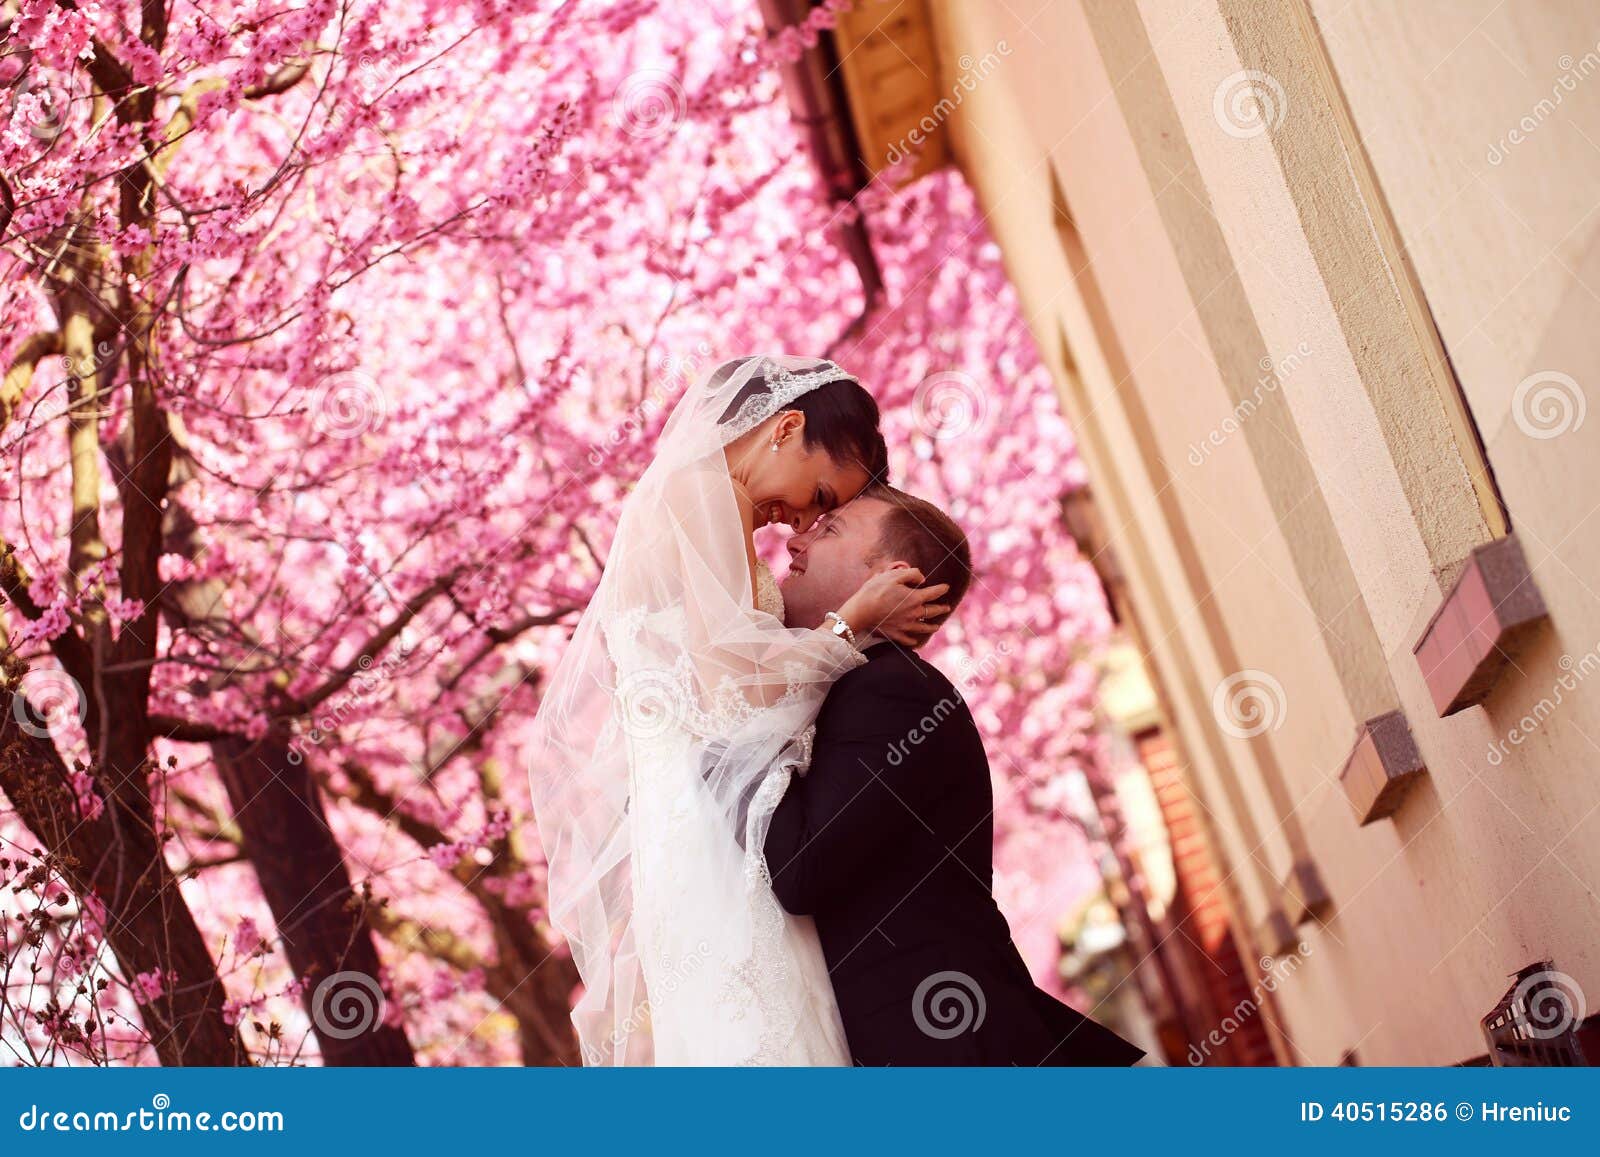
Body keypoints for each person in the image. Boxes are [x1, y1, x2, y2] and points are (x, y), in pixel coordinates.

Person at [527, 355, 948, 1065]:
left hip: (701, 815)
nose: (805, 521)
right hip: (714, 826)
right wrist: (850, 625)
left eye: (825, 513)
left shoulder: (700, 503)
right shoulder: (702, 493)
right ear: (785, 427)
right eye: (819, 493)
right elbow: (730, 681)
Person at [765, 484, 1147, 1066]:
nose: (798, 536)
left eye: (831, 528)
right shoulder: (859, 689)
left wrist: (741, 721)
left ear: (892, 577)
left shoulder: (891, 693)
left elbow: (799, 869)